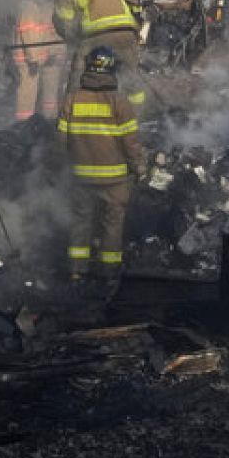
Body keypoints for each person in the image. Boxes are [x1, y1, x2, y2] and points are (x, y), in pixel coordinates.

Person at [59, 45, 147, 289]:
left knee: (80, 222)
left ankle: (77, 272)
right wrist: (139, 168)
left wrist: (60, 167)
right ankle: (107, 273)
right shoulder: (120, 103)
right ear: (112, 71)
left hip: (80, 178)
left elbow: (60, 142)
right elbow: (131, 144)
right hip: (115, 179)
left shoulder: (72, 100)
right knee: (112, 224)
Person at [51, 0, 146, 111]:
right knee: (130, 77)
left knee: (78, 78)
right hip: (125, 32)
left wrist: (74, 41)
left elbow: (63, 22)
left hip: (95, 36)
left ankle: (71, 117)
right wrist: (136, 22)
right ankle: (137, 118)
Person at [11, 0, 60, 122]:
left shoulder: (26, 5)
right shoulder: (29, 8)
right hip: (27, 60)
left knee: (29, 92)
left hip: (25, 58)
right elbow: (30, 35)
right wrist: (34, 58)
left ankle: (27, 123)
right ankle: (24, 125)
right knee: (27, 93)